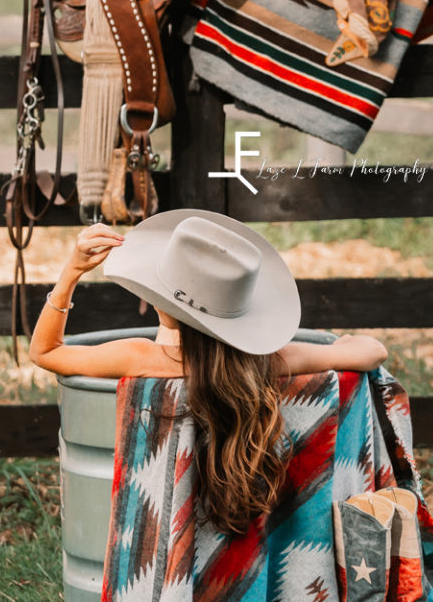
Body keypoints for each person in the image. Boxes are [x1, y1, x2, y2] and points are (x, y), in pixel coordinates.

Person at [29, 208, 387, 535]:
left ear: (165, 307)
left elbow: (44, 350)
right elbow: (373, 352)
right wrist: (344, 343)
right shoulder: (271, 362)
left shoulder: (143, 358)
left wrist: (71, 273)